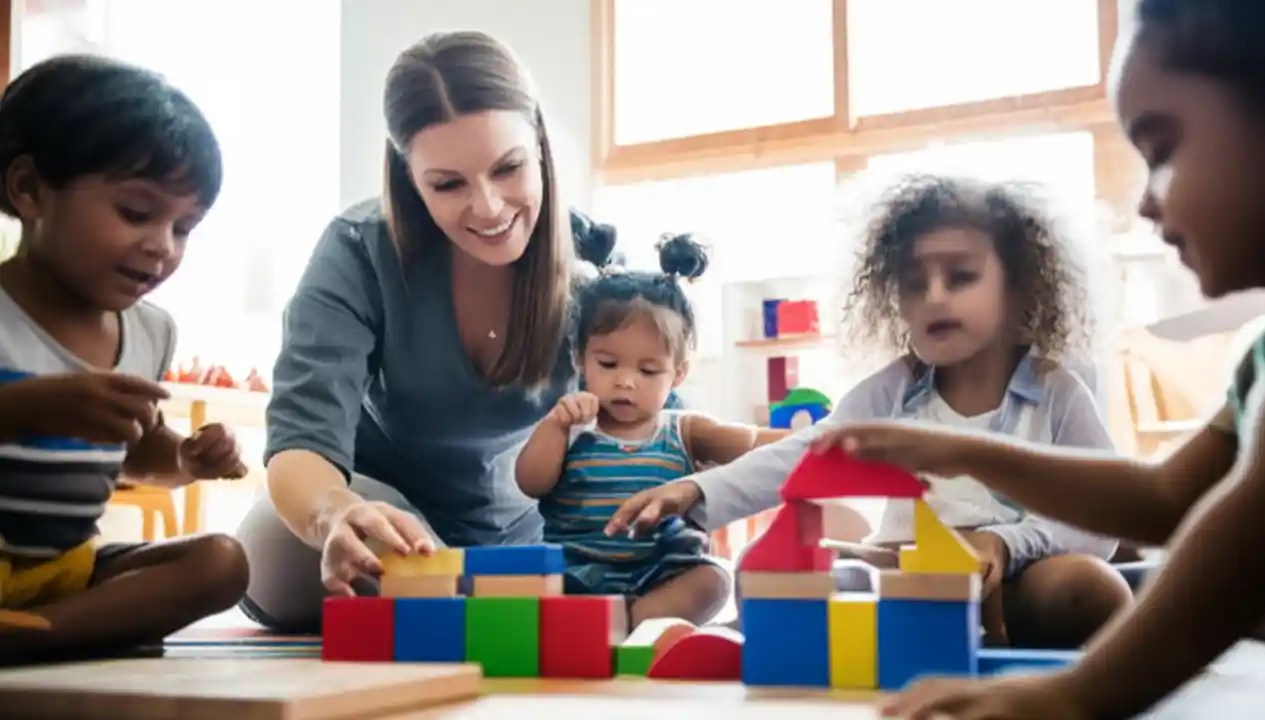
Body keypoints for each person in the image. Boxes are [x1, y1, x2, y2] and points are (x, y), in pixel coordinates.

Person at [815, 1, 1265, 718]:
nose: (1147, 207)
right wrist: (961, 450)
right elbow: (1166, 500)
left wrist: (1066, 696)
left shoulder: (1059, 386)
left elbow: (1233, 545)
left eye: (1161, 152)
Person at [606, 174, 1132, 648]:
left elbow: (1103, 512)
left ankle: (956, 629)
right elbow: (807, 455)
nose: (935, 296)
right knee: (764, 568)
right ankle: (868, 625)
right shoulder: (898, 389)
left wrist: (1004, 542)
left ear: (1019, 290)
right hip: (903, 571)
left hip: (1017, 576)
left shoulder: (1056, 389)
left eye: (961, 276)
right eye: (913, 282)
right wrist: (698, 490)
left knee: (1091, 589)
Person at [235, 31, 580, 631]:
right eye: (448, 184)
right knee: (268, 555)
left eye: (509, 168)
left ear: (541, 148)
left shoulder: (597, 269)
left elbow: (649, 429)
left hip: (533, 534)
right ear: (409, 179)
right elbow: (301, 444)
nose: (490, 207)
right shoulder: (357, 250)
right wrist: (336, 513)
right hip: (387, 518)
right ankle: (464, 604)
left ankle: (480, 602)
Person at [0, 54, 249, 663]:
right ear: (30, 190)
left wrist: (187, 458)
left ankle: (34, 634)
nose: (161, 247)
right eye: (136, 213)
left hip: (66, 572)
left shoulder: (147, 332)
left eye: (183, 228)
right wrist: (30, 407)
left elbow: (140, 453)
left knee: (221, 562)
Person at [517, 214, 786, 628]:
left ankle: (631, 627)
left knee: (713, 580)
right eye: (607, 363)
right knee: (517, 584)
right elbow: (531, 483)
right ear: (579, 358)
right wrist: (554, 425)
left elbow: (755, 443)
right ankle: (610, 629)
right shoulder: (571, 423)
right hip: (574, 577)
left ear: (677, 373)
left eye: (648, 371)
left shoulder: (686, 430)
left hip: (660, 575)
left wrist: (824, 437)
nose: (625, 381)